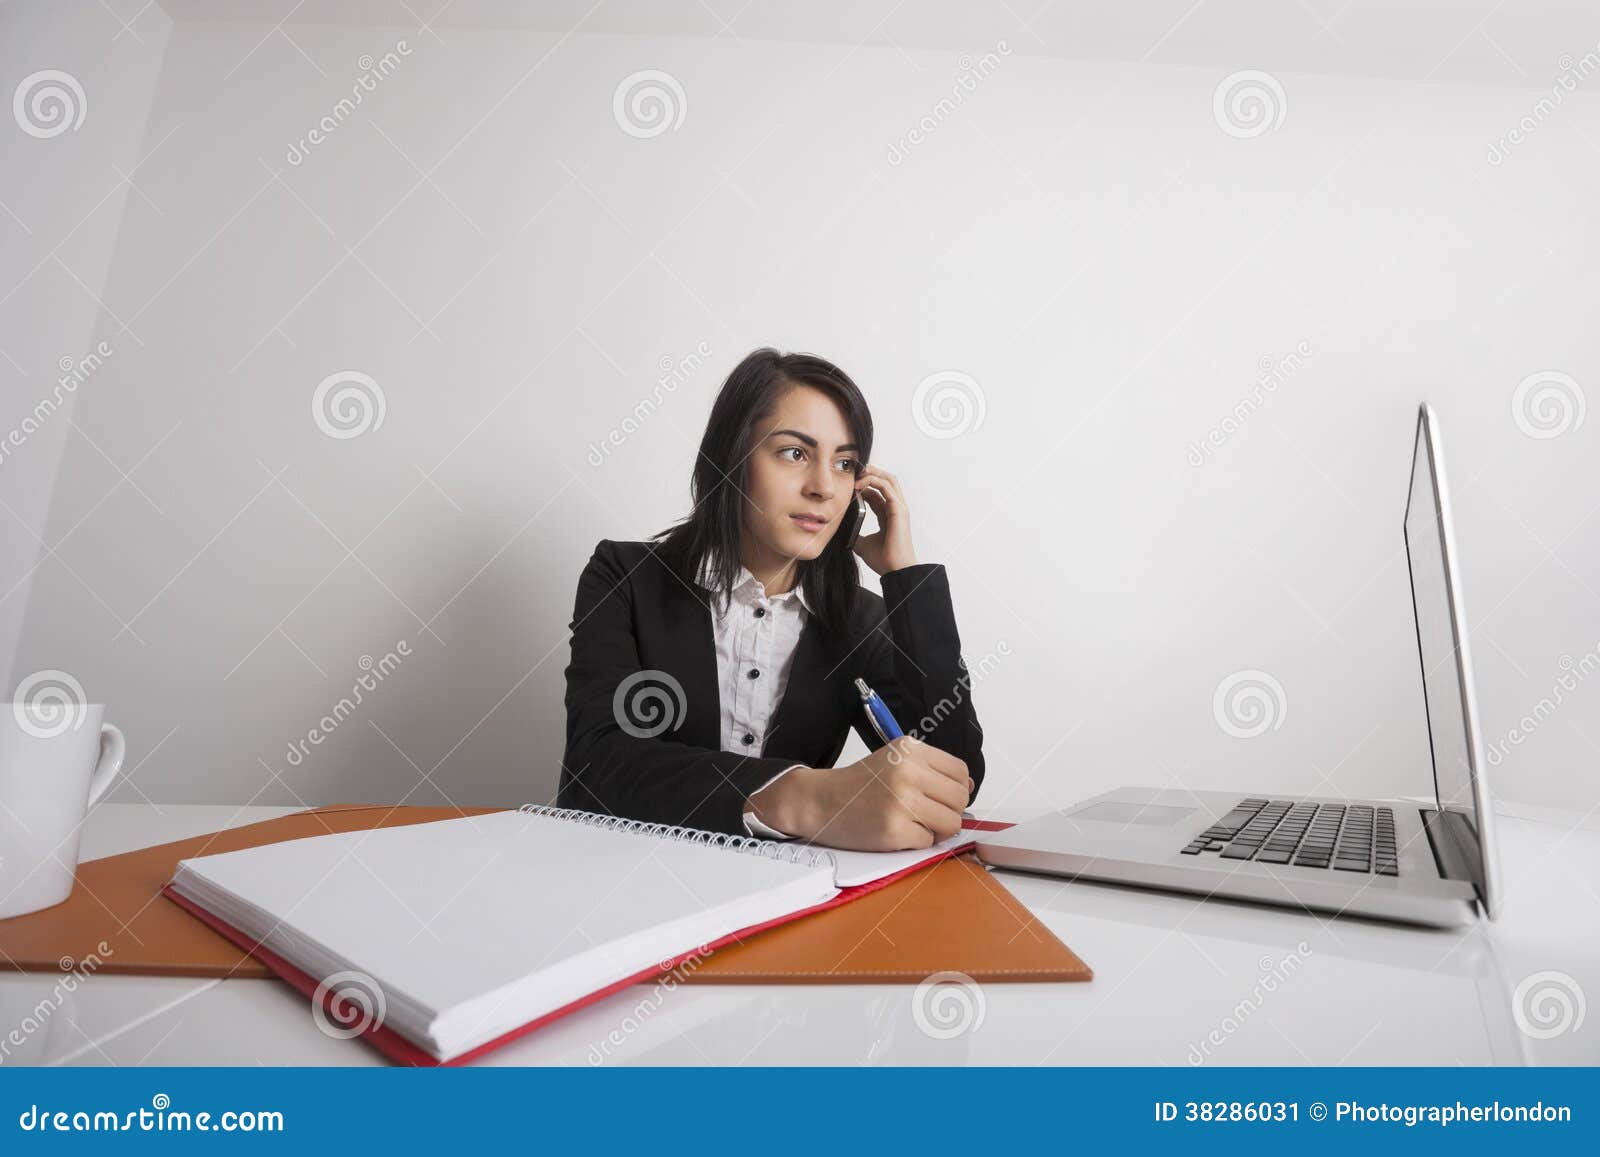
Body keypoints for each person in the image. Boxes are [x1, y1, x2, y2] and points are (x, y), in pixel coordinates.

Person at [558, 348, 984, 851]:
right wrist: (805, 797)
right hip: (621, 877)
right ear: (731, 458)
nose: (824, 488)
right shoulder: (626, 577)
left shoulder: (856, 621)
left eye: (845, 463)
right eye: (794, 453)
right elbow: (597, 767)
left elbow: (954, 777)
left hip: (786, 894)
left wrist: (905, 578)